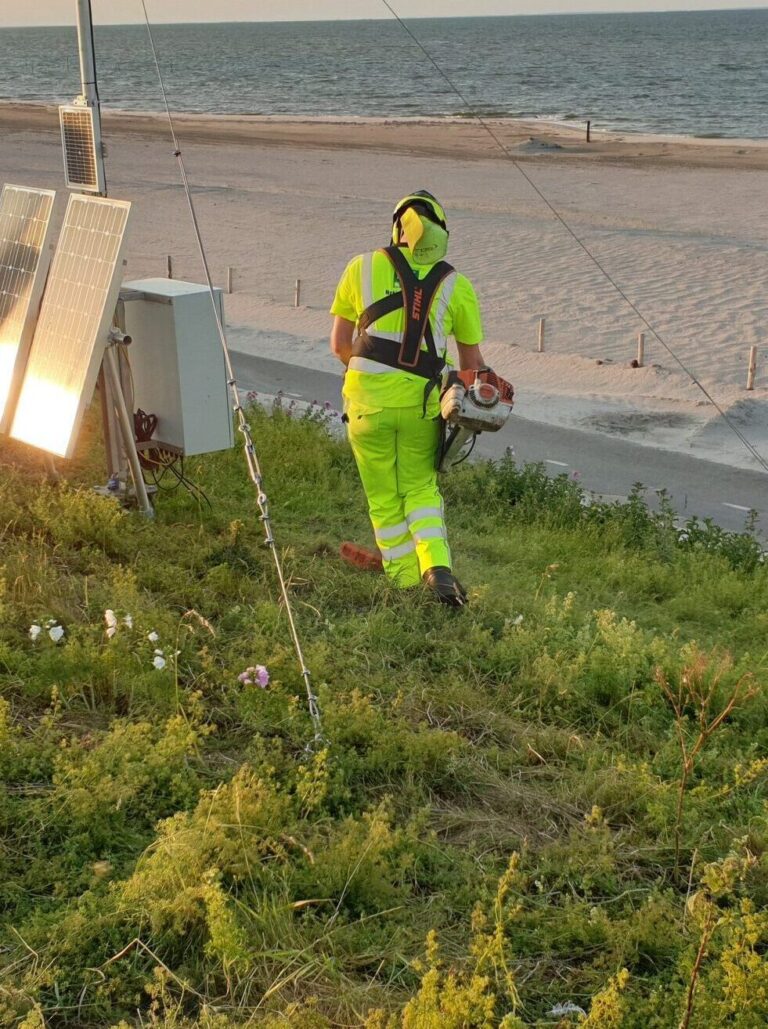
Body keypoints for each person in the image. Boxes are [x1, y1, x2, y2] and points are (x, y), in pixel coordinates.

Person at [329, 189, 487, 607]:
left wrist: (371, 378)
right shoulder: (458, 285)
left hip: (364, 404)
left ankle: (403, 583)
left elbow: (340, 344)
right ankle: (437, 570)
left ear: (397, 227)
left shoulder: (359, 267)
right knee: (420, 487)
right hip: (422, 405)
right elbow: (472, 365)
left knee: (383, 494)